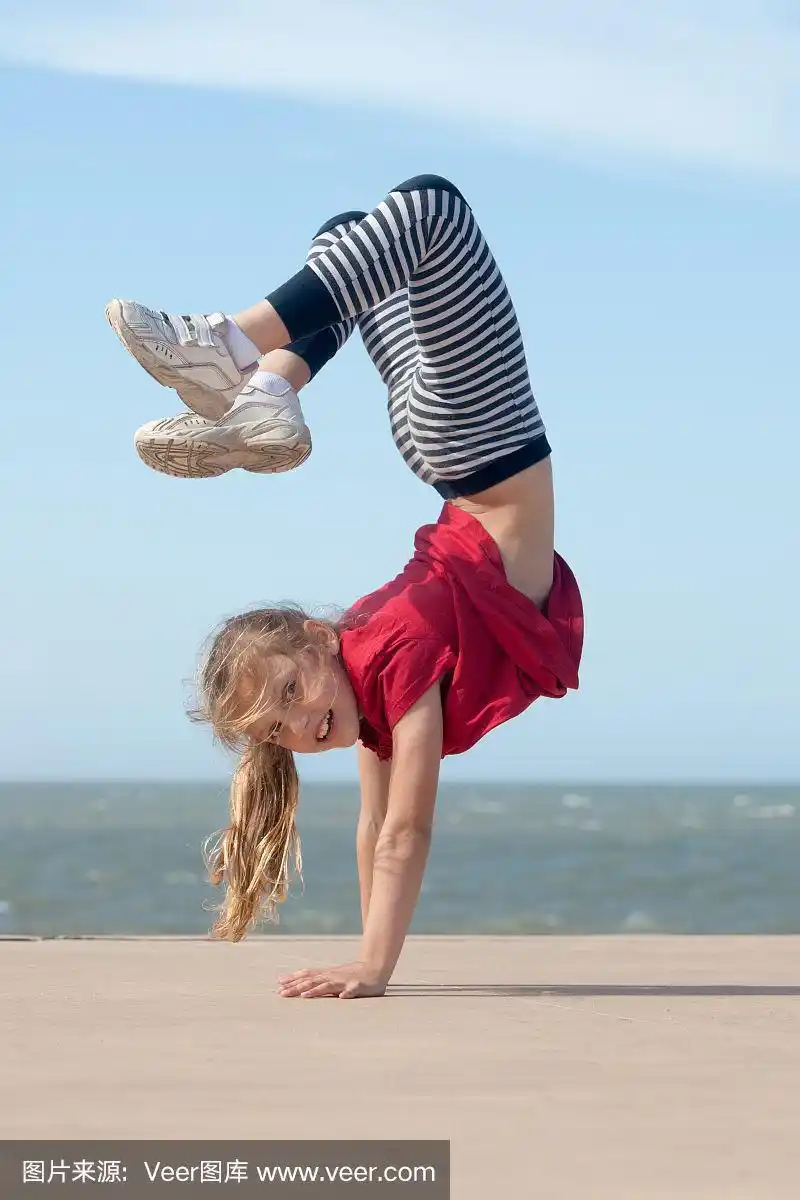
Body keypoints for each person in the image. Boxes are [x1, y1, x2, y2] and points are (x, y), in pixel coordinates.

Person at [106, 173, 584, 999]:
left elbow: (404, 829)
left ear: (319, 637)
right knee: (379, 234)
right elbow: (383, 827)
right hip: (454, 450)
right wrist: (371, 960)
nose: (300, 722)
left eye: (290, 691)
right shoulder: (371, 681)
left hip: (479, 445)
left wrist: (376, 964)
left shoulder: (387, 659)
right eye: (281, 727)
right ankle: (267, 390)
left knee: (406, 219)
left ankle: (245, 355)